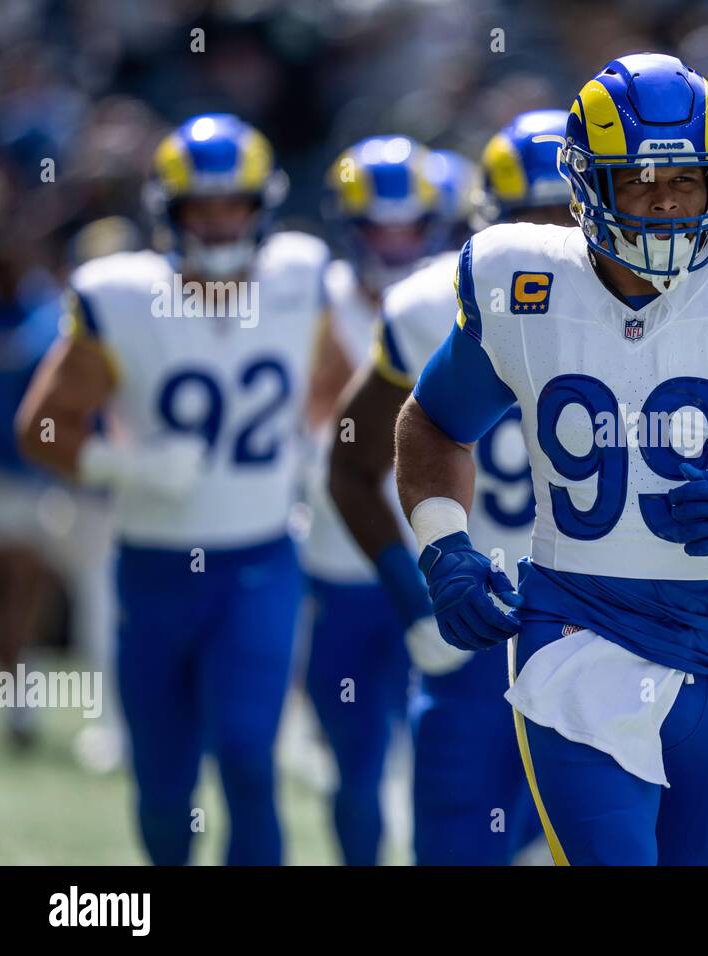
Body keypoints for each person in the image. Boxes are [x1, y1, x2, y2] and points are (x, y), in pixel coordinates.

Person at [393, 53, 708, 865]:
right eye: (637, 178)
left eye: (688, 179)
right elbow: (432, 423)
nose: (667, 200)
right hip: (576, 632)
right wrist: (443, 546)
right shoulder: (519, 278)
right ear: (586, 183)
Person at [17, 113, 331, 865]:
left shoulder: (300, 276)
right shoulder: (119, 295)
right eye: (201, 206)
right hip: (154, 568)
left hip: (258, 561)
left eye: (234, 204)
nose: (220, 222)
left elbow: (336, 390)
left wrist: (325, 453)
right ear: (168, 209)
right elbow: (42, 429)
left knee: (250, 755)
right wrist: (118, 465)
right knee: (163, 785)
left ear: (262, 206)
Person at [327, 110, 570, 864]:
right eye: (533, 218)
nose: (553, 236)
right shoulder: (434, 303)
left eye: (566, 212)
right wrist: (415, 599)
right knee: (458, 836)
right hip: (481, 621)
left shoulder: (660, 303)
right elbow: (349, 463)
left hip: (606, 628)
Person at [301, 136, 473, 864]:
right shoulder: (306, 295)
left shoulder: (455, 295)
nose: (395, 241)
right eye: (379, 225)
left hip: (442, 557)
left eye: (409, 224)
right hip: (342, 560)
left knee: (463, 762)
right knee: (355, 760)